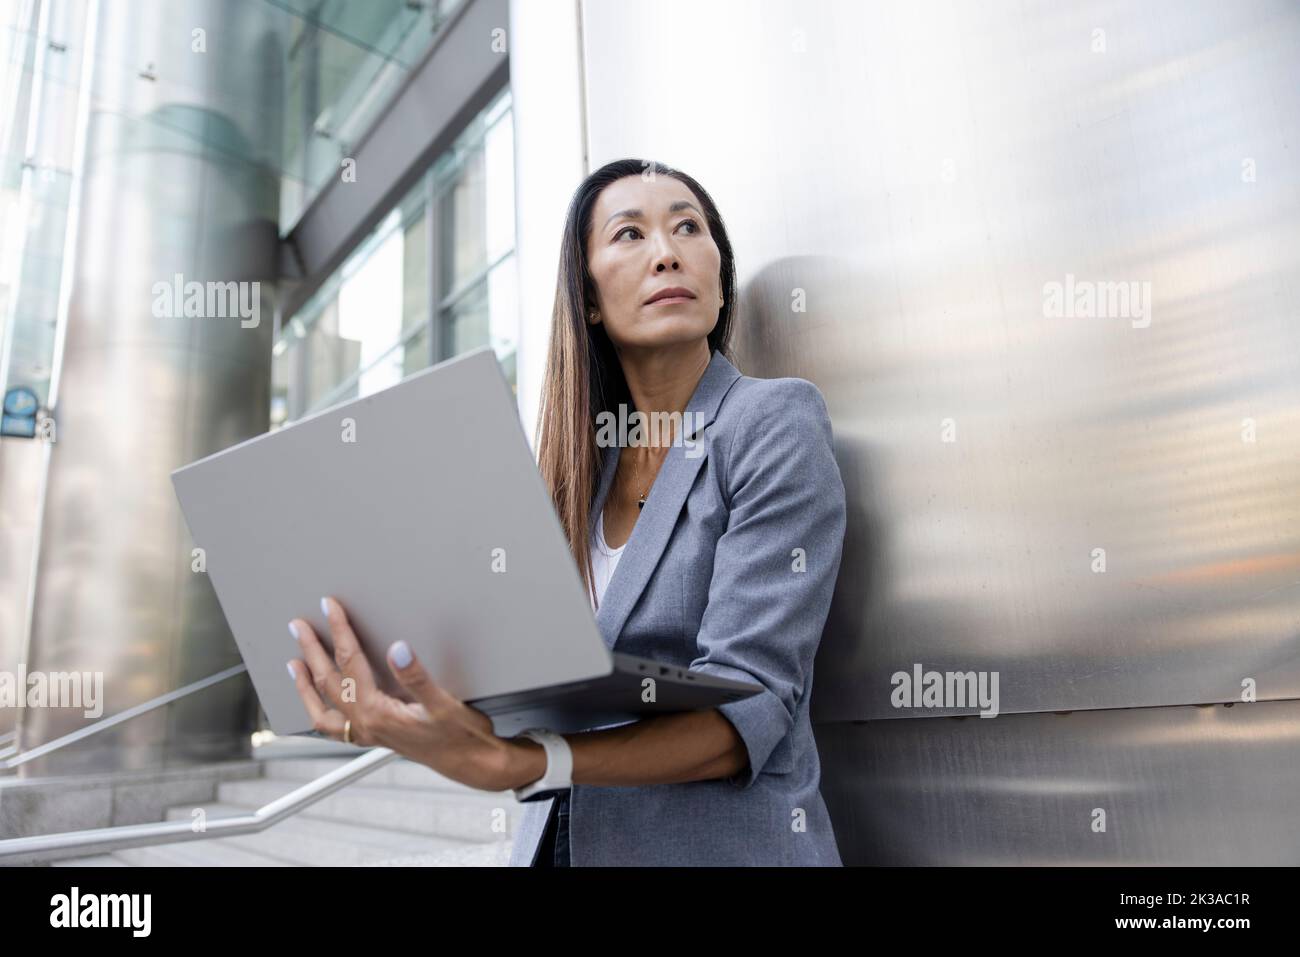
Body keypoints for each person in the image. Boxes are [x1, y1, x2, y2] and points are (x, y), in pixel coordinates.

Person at [287, 158, 847, 866]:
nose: (667, 252)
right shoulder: (574, 476)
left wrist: (532, 762)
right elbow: (522, 690)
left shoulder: (771, 422)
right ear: (588, 300)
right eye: (630, 234)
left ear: (719, 272)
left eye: (688, 227)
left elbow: (750, 708)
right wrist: (399, 697)